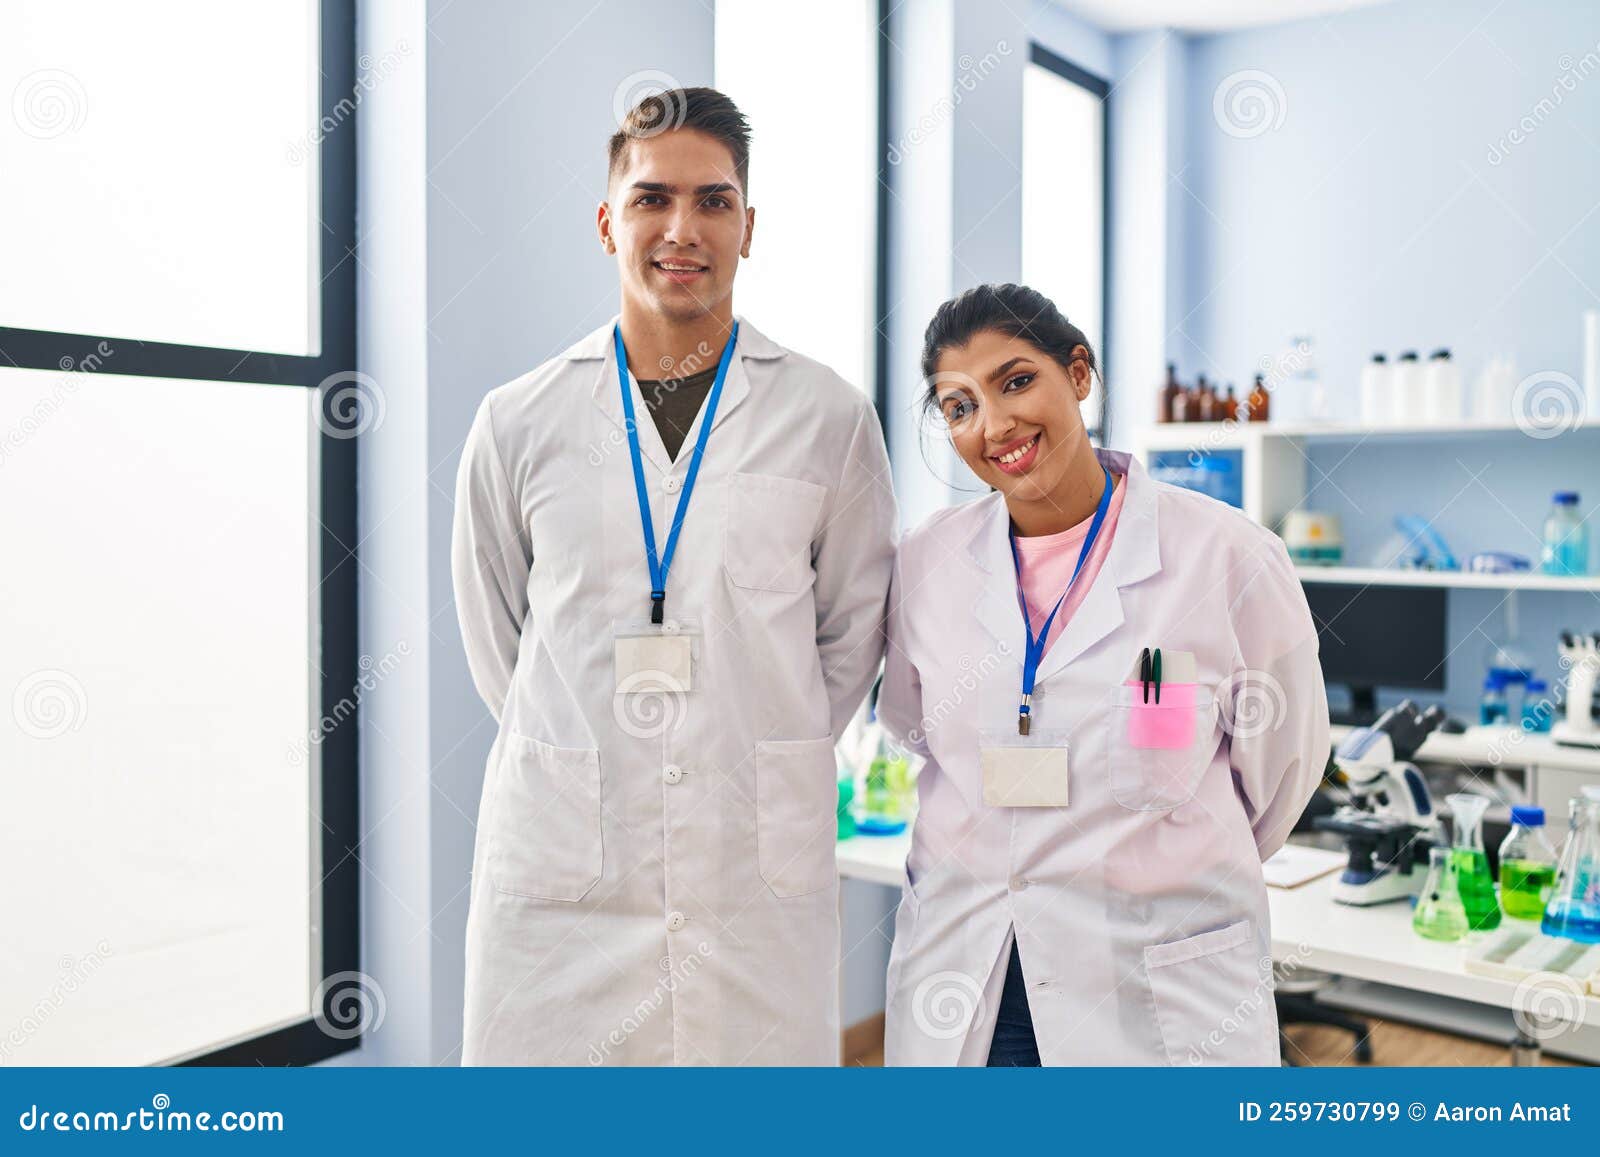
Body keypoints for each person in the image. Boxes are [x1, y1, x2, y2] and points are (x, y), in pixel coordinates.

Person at [451, 87, 895, 1065]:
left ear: (748, 225)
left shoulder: (827, 416)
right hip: (565, 881)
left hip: (752, 870)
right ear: (609, 220)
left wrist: (755, 742)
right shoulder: (519, 421)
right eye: (652, 198)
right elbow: (500, 644)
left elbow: (853, 631)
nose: (681, 228)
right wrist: (590, 738)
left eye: (713, 200)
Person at [878, 283, 1328, 1066]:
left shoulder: (1226, 557)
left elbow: (1284, 771)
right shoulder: (926, 560)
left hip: (1154, 983)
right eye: (959, 407)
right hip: (971, 967)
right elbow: (917, 728)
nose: (995, 425)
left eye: (1017, 381)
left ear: (1078, 374)